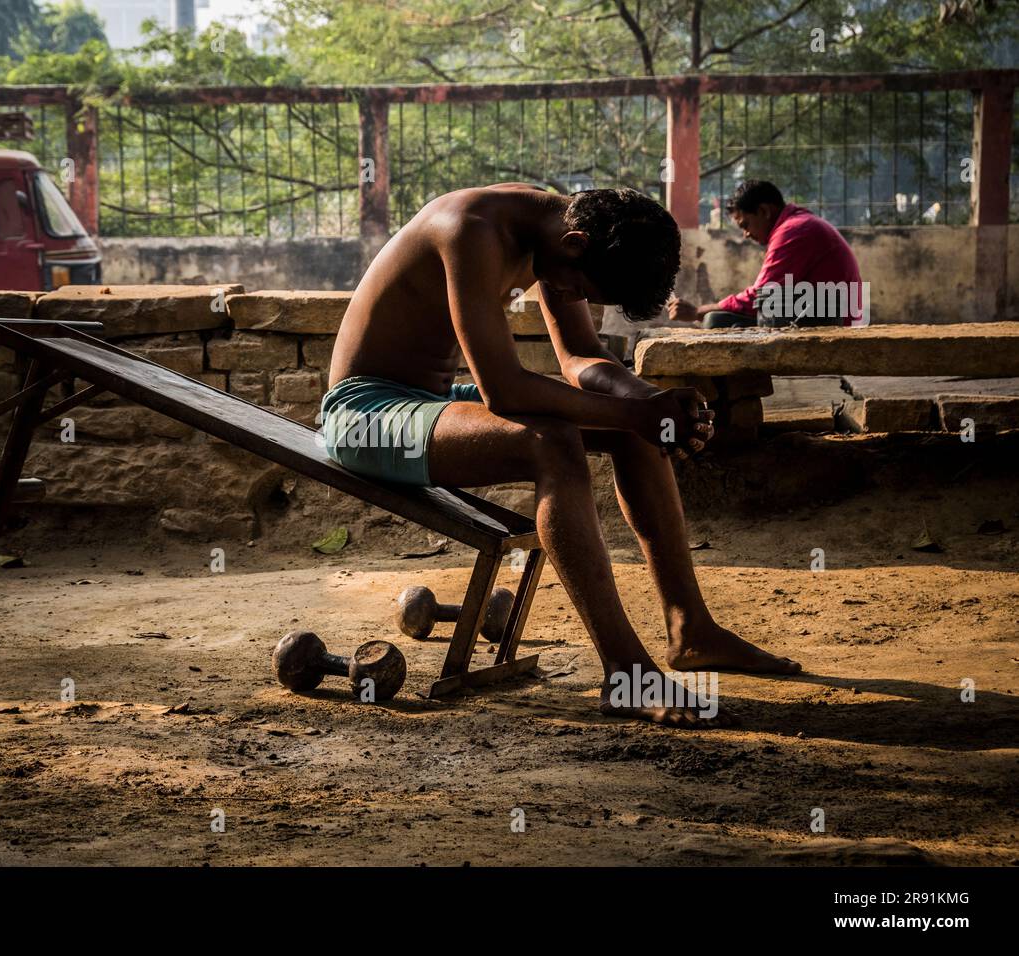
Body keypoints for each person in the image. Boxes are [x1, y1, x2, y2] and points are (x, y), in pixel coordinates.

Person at [320, 184, 801, 729]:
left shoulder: (560, 233)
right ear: (573, 246)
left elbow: (580, 358)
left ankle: (691, 630)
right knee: (552, 443)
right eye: (583, 288)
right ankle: (625, 674)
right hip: (366, 418)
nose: (575, 296)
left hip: (427, 403)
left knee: (630, 433)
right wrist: (630, 412)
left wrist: (647, 402)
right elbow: (503, 390)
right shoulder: (469, 230)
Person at [668, 179, 866, 328]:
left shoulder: (793, 231)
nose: (746, 235)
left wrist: (697, 312)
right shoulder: (800, 224)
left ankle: (749, 385)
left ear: (764, 211)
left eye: (745, 225)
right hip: (833, 313)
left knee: (717, 321)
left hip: (834, 319)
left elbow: (760, 297)